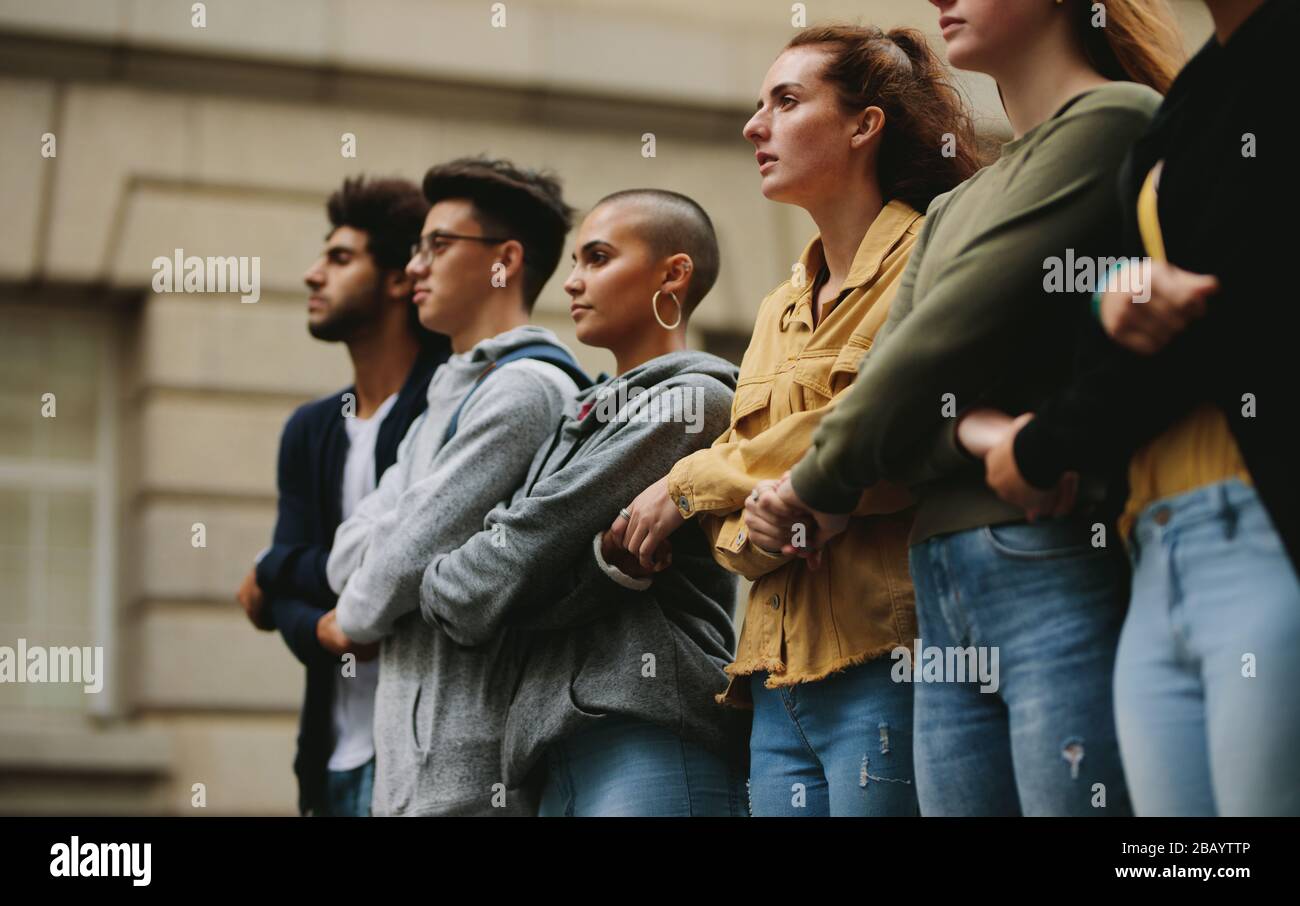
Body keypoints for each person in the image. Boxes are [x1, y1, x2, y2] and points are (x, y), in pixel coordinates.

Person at [762, 0, 1184, 816]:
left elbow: (937, 350)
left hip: (1050, 554)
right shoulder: (959, 203)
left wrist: (814, 484)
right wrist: (984, 432)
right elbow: (892, 386)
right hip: (938, 575)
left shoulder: (1114, 120)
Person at [612, 25, 981, 816]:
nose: (755, 125)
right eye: (757, 104)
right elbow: (740, 498)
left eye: (785, 101)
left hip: (889, 659)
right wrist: (770, 522)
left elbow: (881, 426)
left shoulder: (929, 256)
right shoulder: (779, 305)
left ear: (863, 125)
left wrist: (689, 481)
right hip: (771, 680)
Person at [983, 0, 1300, 816]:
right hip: (1156, 547)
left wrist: (1040, 448)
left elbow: (1213, 312)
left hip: (1257, 533)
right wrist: (1107, 298)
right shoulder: (1200, 89)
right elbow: (1125, 302)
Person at [422, 189, 748, 816]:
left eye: (597, 259)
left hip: (652, 736)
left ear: (672, 274)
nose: (572, 282)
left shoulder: (693, 403)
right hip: (553, 755)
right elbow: (509, 583)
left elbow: (511, 556)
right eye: (573, 261)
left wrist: (496, 579)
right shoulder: (584, 415)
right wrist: (601, 565)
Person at [323, 157, 590, 816]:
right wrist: (391, 553)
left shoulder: (527, 390)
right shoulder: (444, 397)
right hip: (413, 777)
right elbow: (348, 553)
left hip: (474, 780)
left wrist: (374, 583)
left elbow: (387, 575)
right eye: (418, 248)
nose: (416, 266)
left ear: (505, 260)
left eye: (438, 246)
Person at [234, 176, 450, 817]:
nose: (311, 275)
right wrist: (327, 630)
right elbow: (282, 604)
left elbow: (401, 577)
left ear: (396, 280)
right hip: (329, 757)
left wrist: (270, 570)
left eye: (339, 258)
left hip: (420, 754)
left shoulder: (443, 409)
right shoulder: (310, 429)